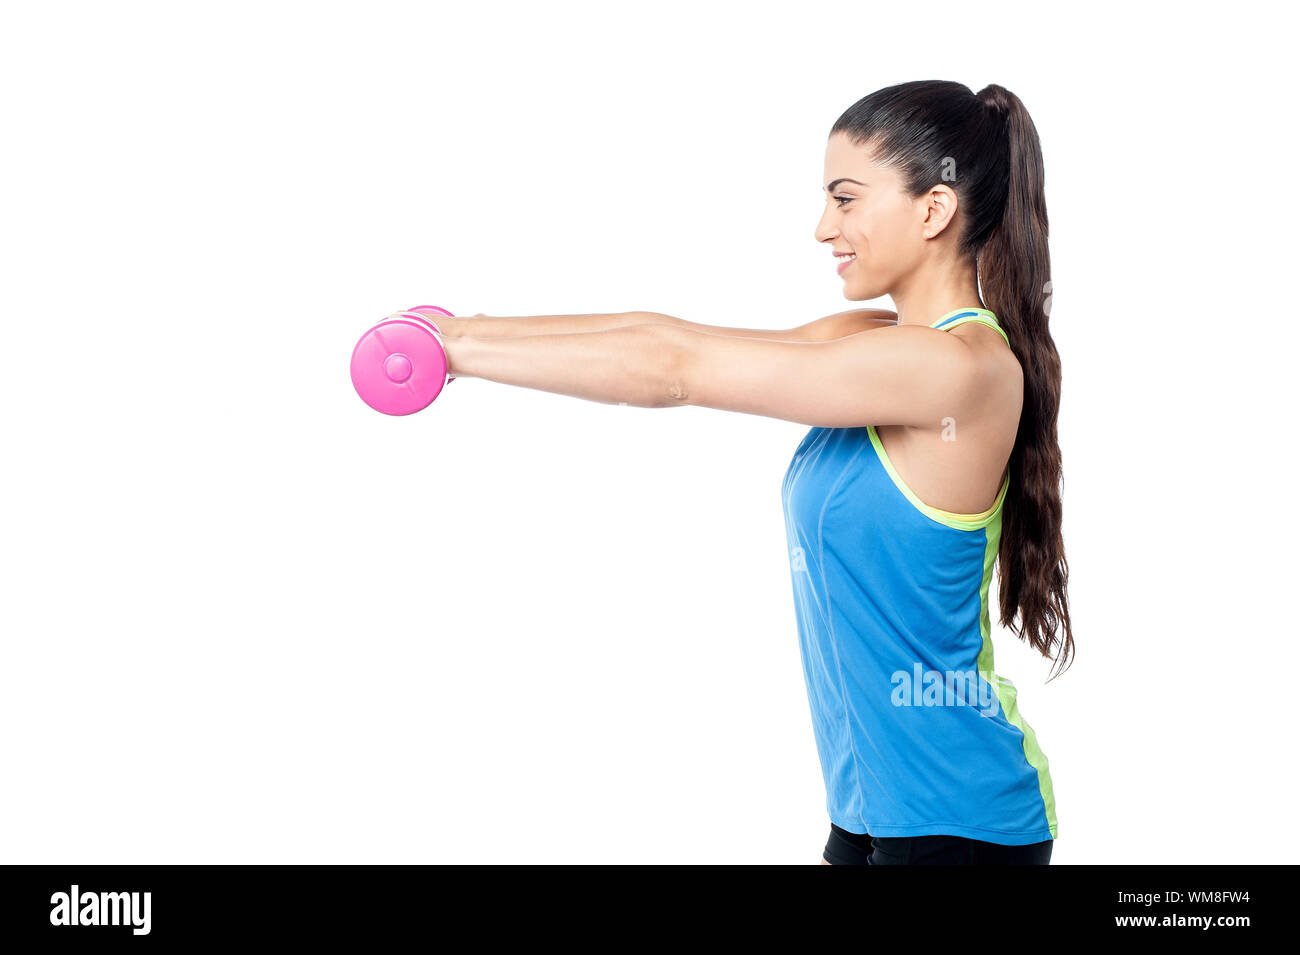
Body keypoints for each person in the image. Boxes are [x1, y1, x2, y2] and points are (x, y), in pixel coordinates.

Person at [430, 79, 1072, 865]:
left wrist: (452, 352)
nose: (822, 227)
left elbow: (675, 371)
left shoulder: (952, 369)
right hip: (869, 811)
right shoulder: (872, 341)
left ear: (933, 210)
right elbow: (662, 333)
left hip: (959, 825)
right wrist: (460, 334)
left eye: (845, 199)